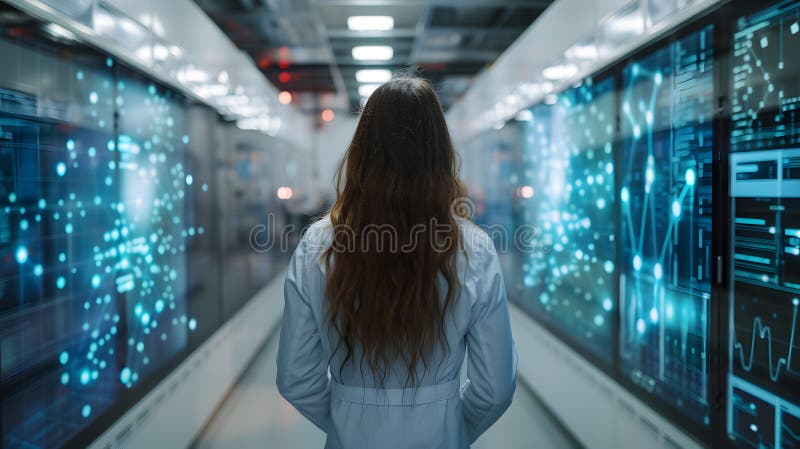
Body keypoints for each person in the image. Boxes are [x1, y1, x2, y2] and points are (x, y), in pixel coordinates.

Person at [276, 76, 517, 449]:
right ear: (440, 153)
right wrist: (449, 426)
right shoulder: (474, 249)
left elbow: (296, 378)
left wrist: (349, 419)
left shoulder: (318, 245)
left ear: (362, 151)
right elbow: (495, 389)